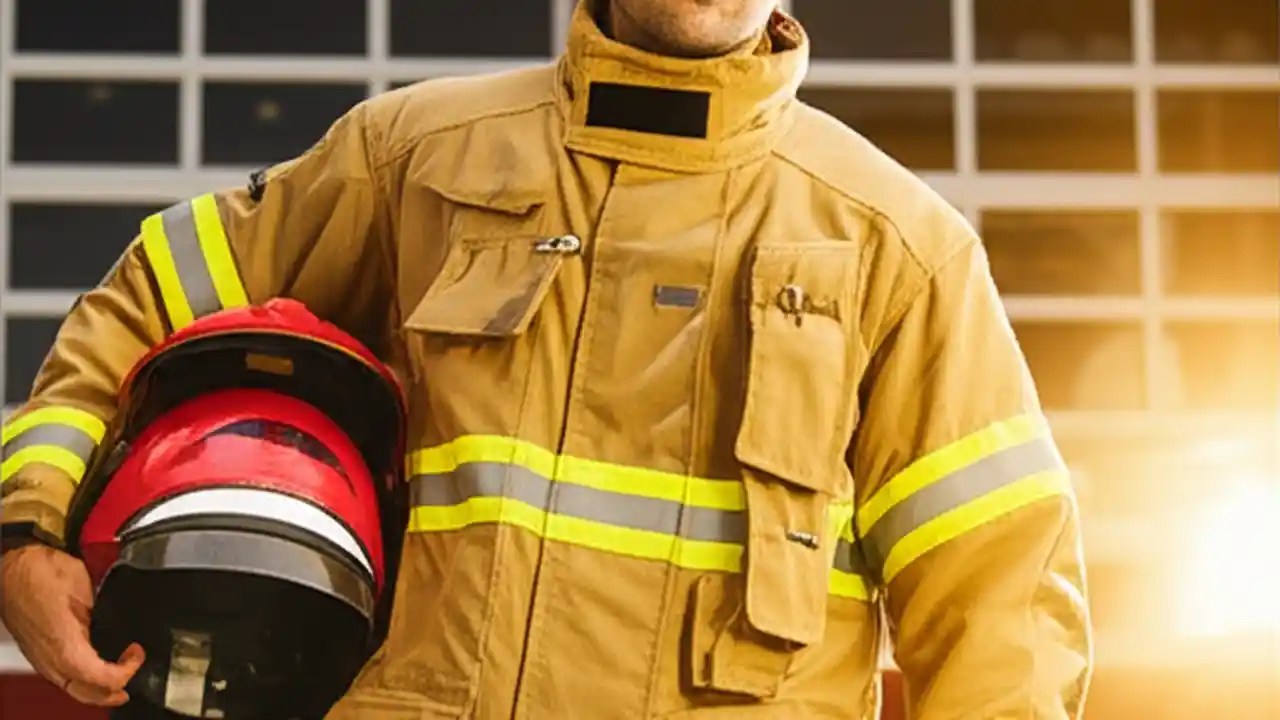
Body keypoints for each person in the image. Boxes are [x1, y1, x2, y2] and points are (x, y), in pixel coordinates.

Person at [0, 0, 1093, 717]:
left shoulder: (896, 246)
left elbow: (997, 605)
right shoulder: (412, 159)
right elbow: (146, 301)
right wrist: (24, 530)